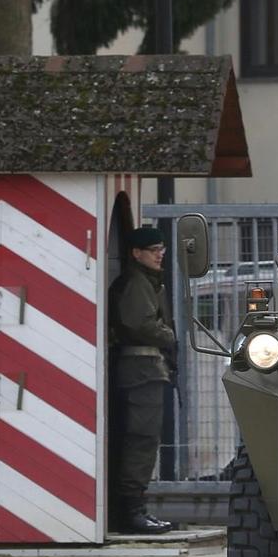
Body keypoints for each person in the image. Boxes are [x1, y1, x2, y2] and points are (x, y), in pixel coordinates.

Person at [109, 226, 176, 533]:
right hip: (142, 369)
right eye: (153, 250)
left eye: (161, 249)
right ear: (136, 253)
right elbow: (141, 324)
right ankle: (132, 511)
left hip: (145, 368)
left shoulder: (146, 281)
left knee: (142, 440)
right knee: (142, 441)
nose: (159, 254)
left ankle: (132, 508)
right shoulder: (138, 283)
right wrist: (168, 334)